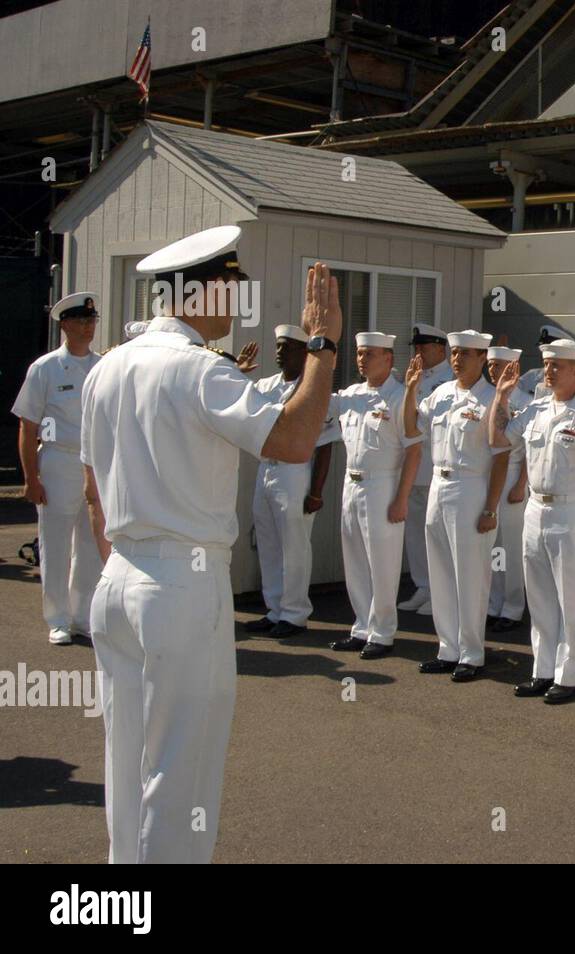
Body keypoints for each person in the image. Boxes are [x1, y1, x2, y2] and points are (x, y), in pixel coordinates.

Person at [81, 226, 339, 862]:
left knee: (128, 759)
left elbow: (93, 488)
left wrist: (119, 559)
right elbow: (295, 440)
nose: (235, 304)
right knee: (181, 766)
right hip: (180, 585)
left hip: (118, 576)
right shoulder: (199, 370)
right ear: (201, 293)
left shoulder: (107, 367)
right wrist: (324, 348)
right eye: (231, 288)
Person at [490, 339, 575, 703]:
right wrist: (501, 396)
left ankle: (570, 675)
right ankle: (542, 670)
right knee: (540, 597)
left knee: (573, 601)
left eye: (558, 365)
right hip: (536, 510)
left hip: (573, 512)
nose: (549, 370)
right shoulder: (535, 409)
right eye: (547, 364)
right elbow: (498, 438)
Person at [404, 329, 508, 681]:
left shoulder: (492, 399)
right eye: (454, 353)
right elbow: (411, 428)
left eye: (466, 353)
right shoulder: (441, 395)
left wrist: (491, 508)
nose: (457, 359)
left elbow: (501, 457)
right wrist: (409, 390)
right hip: (438, 483)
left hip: (470, 486)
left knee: (470, 575)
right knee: (442, 572)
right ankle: (447, 648)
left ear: (482, 359)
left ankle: (471, 653)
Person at [13, 292, 103, 646]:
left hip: (92, 462)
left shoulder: (102, 366)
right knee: (55, 543)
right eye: (81, 321)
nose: (88, 327)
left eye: (92, 320)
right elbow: (28, 426)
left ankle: (83, 616)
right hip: (58, 459)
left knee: (91, 543)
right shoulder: (45, 368)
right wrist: (30, 477)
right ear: (64, 325)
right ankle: (58, 618)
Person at [330, 332, 422, 659]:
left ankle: (382, 632)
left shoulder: (399, 397)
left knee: (381, 562)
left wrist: (401, 498)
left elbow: (414, 451)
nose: (361, 360)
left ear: (388, 358)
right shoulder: (351, 395)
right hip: (351, 483)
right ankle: (361, 626)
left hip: (383, 485)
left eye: (369, 354)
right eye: (359, 354)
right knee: (354, 558)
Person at [244, 325, 338, 637]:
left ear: (304, 353)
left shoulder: (313, 389)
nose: (279, 352)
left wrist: (316, 491)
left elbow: (325, 445)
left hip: (295, 472)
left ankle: (295, 614)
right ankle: (274, 610)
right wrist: (239, 373)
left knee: (294, 546)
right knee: (269, 543)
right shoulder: (266, 385)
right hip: (266, 470)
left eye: (287, 347)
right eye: (278, 346)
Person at [398, 323, 452, 615]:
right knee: (416, 533)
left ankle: (440, 591)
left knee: (438, 535)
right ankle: (423, 586)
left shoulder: (449, 380)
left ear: (440, 349)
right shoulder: (414, 379)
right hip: (413, 469)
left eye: (423, 347)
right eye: (416, 348)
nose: (418, 352)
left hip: (437, 467)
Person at [486, 345, 529, 632]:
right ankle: (494, 602)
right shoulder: (484, 397)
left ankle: (513, 606)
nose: (493, 370)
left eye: (499, 365)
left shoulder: (525, 400)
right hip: (485, 476)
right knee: (493, 546)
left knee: (511, 546)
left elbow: (528, 447)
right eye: (490, 365)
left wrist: (521, 482)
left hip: (512, 474)